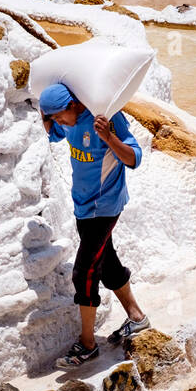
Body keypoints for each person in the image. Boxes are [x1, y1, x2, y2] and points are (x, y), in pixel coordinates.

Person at [39, 82, 151, 370]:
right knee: (107, 263)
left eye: (60, 117)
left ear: (73, 105)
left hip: (105, 206)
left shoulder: (107, 118)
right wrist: (46, 118)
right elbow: (56, 135)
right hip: (83, 206)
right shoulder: (68, 119)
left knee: (85, 272)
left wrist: (110, 138)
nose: (59, 124)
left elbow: (135, 158)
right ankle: (137, 317)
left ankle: (88, 346)